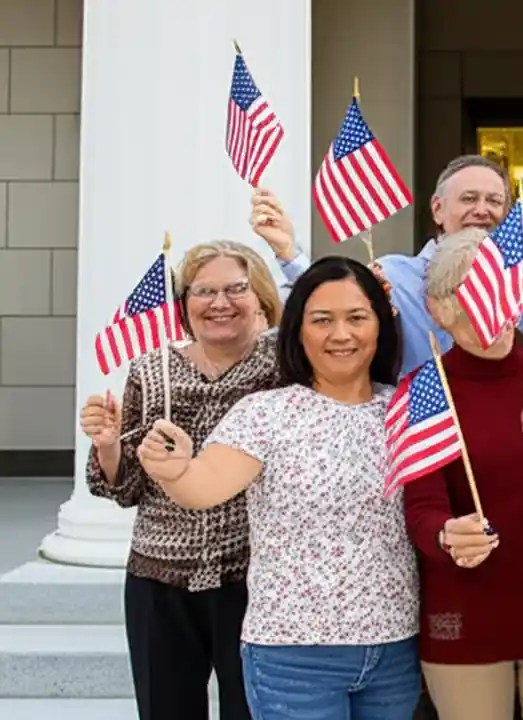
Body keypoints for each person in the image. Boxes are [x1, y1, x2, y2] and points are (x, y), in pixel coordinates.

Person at [135, 257, 421, 720]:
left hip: (395, 647)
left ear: (380, 326)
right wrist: (174, 470)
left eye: (356, 317)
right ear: (298, 330)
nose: (341, 335)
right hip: (294, 655)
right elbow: (202, 486)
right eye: (322, 320)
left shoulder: (408, 411)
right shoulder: (266, 413)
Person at [400, 228, 523, 720]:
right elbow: (422, 505)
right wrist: (445, 535)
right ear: (439, 308)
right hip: (465, 609)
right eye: (471, 296)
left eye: (501, 290)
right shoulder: (427, 386)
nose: (490, 312)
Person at [79, 240, 282, 720]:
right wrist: (108, 446)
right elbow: (124, 487)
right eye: (203, 291)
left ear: (260, 298)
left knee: (251, 710)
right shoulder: (153, 371)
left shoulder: (284, 365)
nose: (220, 303)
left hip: (254, 576)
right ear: (183, 303)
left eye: (236, 289)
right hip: (159, 577)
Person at [250, 154, 523, 378]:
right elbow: (324, 306)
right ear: (438, 209)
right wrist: (288, 253)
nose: (482, 210)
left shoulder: (520, 289)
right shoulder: (392, 275)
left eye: (494, 201)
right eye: (469, 199)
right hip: (408, 436)